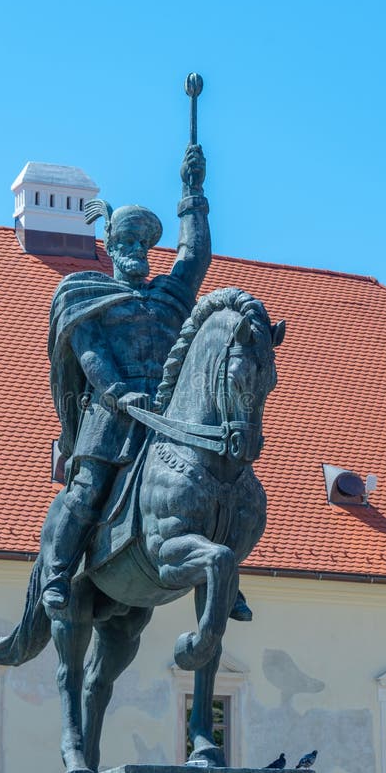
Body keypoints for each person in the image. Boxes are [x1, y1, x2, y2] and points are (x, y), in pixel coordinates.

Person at [40, 143, 252, 622]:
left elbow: (194, 253)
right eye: (128, 243)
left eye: (143, 244)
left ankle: (227, 573)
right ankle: (56, 574)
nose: (137, 251)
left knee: (226, 474)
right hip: (112, 414)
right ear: (110, 247)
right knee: (86, 488)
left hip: (169, 413)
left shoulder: (168, 294)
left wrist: (192, 192)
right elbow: (90, 353)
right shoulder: (86, 293)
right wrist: (117, 393)